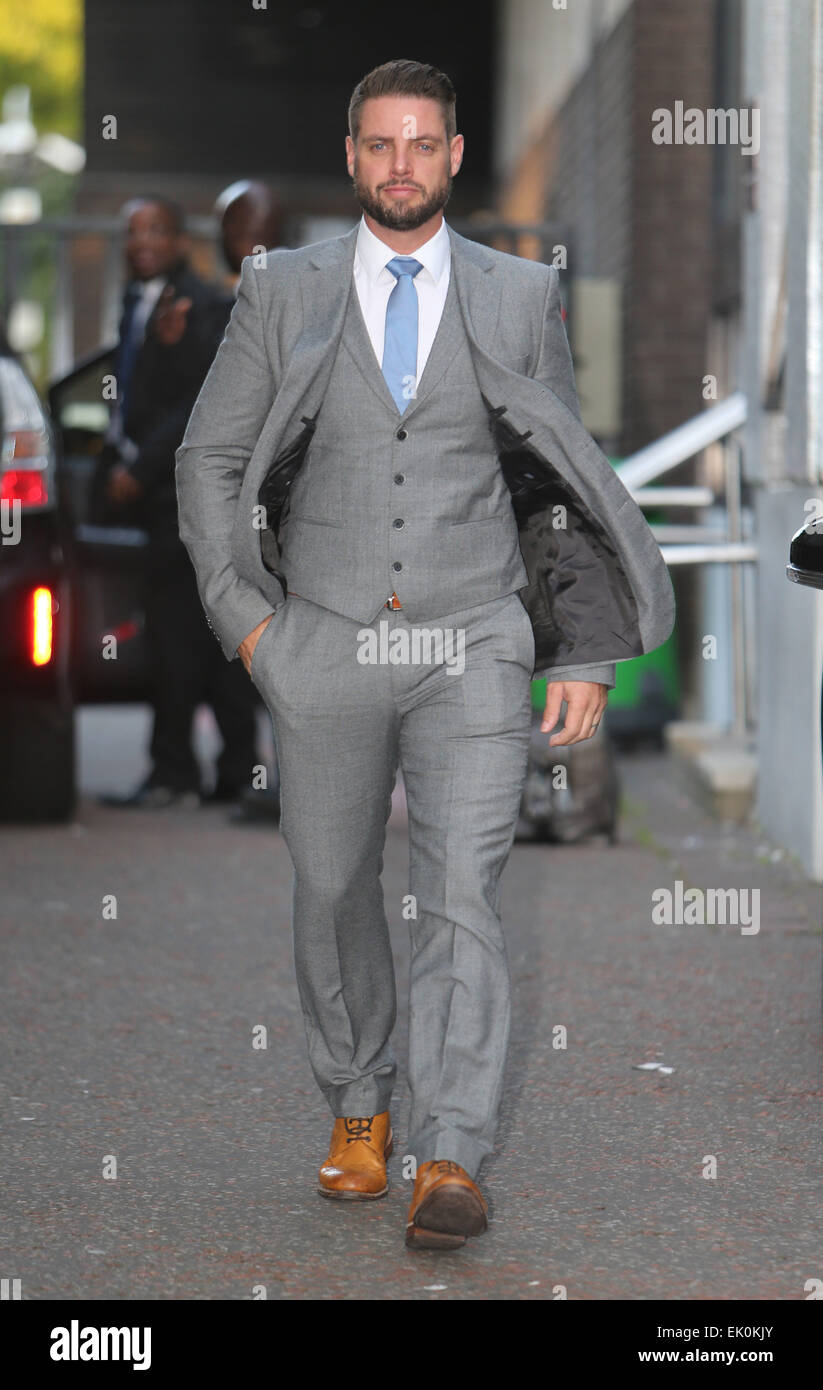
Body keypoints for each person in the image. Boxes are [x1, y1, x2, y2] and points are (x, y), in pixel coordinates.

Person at [175, 60, 675, 1249]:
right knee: (333, 882)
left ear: (453, 158)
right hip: (323, 636)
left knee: (461, 893)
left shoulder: (516, 295)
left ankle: (449, 1147)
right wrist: (247, 619)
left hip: (475, 639)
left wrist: (584, 653)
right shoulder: (282, 290)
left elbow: (552, 477)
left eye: (424, 144)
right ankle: (359, 1103)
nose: (402, 164)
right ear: (352, 158)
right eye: (379, 145)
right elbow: (208, 458)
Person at [103, 196, 259, 807]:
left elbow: (199, 398)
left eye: (155, 231)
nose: (142, 242)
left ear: (179, 239)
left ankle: (209, 770)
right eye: (132, 231)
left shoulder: (199, 304)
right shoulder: (134, 304)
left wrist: (139, 469)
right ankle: (204, 770)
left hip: (188, 496)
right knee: (180, 635)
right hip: (156, 501)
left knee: (197, 634)